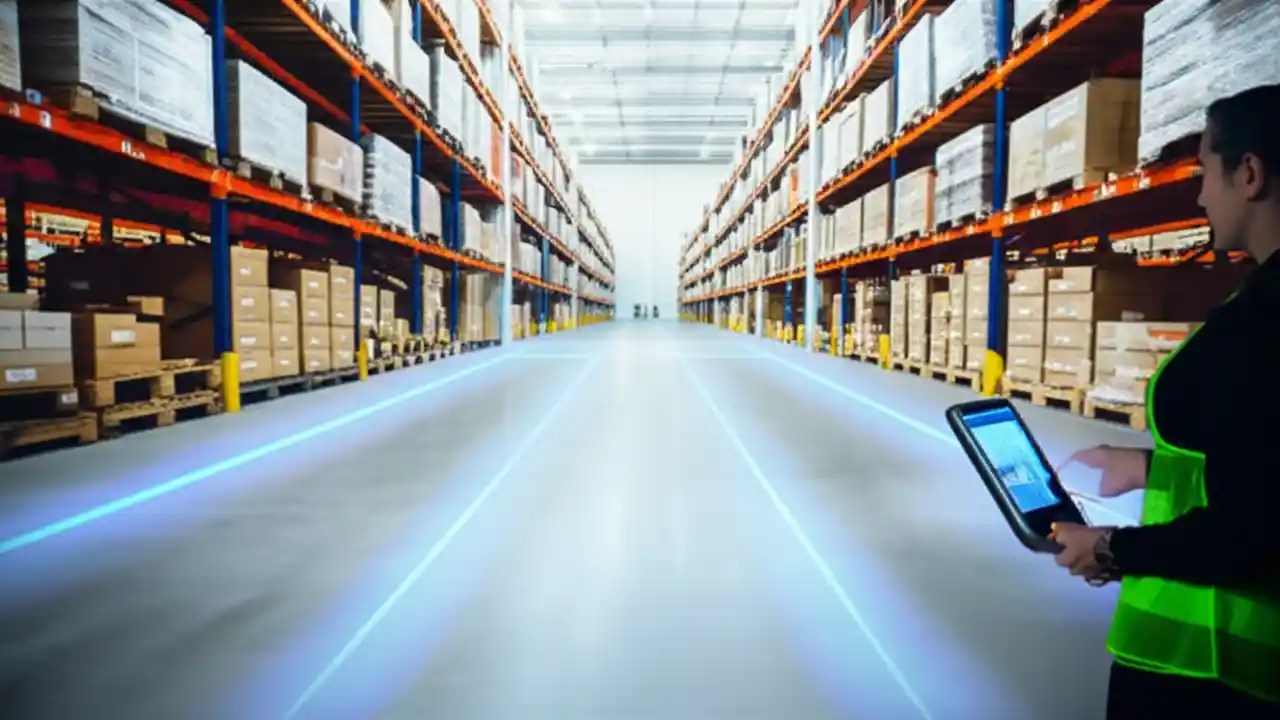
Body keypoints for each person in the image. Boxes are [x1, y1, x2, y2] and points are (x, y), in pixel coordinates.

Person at [1053, 84, 1280, 717]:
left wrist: (1109, 548)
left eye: (1205, 172)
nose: (1201, 195)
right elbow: (1261, 455)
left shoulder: (1262, 320)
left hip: (1212, 668)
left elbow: (1250, 531)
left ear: (1250, 174)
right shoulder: (1257, 300)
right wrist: (1148, 467)